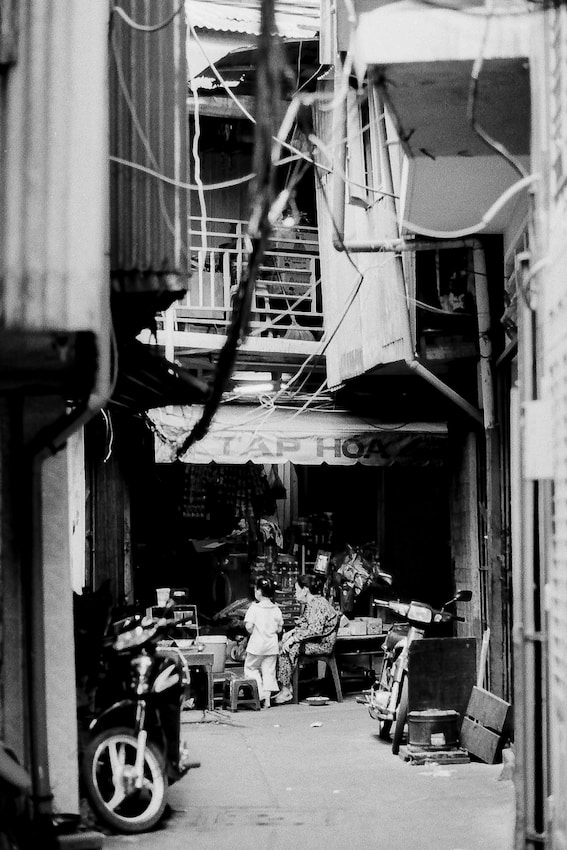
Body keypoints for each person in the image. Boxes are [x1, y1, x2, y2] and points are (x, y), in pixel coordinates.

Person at [274, 573, 339, 705]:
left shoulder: (318, 604)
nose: (295, 593)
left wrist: (294, 639)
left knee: (289, 647)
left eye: (297, 590)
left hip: (322, 644)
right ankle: (284, 686)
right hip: (314, 641)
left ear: (305, 590)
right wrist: (291, 633)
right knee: (282, 644)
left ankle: (286, 688)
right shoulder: (311, 604)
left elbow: (315, 630)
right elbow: (304, 624)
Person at [244, 576, 284, 708]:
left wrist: (253, 630)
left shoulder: (254, 608)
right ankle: (267, 699)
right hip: (271, 646)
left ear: (259, 592)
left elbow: (249, 627)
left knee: (251, 668)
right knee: (269, 671)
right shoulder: (276, 609)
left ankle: (259, 694)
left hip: (257, 645)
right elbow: (279, 628)